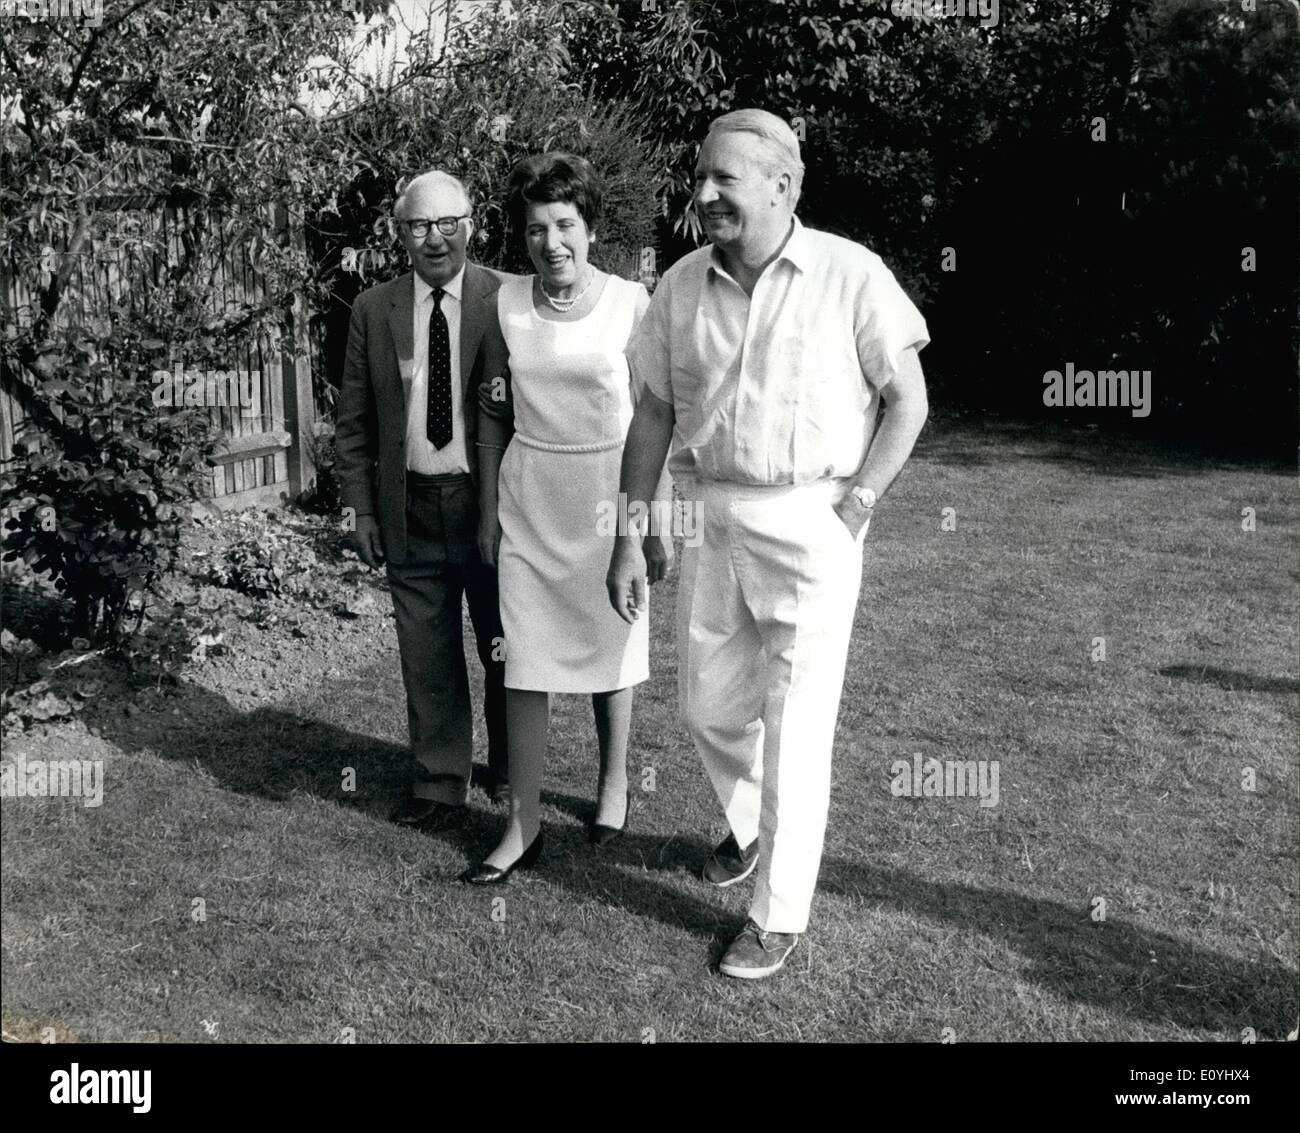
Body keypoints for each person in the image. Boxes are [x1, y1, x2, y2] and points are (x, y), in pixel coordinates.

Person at [608, 110, 931, 978]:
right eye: (701, 177)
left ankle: (778, 912)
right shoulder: (679, 286)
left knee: (797, 722)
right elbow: (652, 415)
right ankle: (750, 830)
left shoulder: (850, 274)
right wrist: (630, 535)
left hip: (812, 520)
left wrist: (859, 501)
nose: (704, 193)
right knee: (707, 704)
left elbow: (910, 401)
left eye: (726, 180)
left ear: (783, 188)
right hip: (713, 512)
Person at [461, 153, 670, 884]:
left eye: (566, 225)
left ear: (590, 228)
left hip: (608, 495)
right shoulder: (507, 304)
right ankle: (522, 822)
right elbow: (488, 412)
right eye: (536, 228)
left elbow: (656, 415)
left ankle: (613, 785)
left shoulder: (630, 303)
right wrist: (487, 507)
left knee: (612, 643)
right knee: (524, 658)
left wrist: (653, 521)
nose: (551, 242)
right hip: (530, 497)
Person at [335, 170, 511, 830]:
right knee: (426, 651)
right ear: (398, 233)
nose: (434, 239)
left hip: (489, 507)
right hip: (409, 506)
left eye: (447, 223)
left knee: (504, 645)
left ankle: (509, 766)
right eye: (418, 225)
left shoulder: (507, 300)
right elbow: (352, 421)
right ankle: (440, 781)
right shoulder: (373, 309)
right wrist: (359, 507)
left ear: (471, 223)